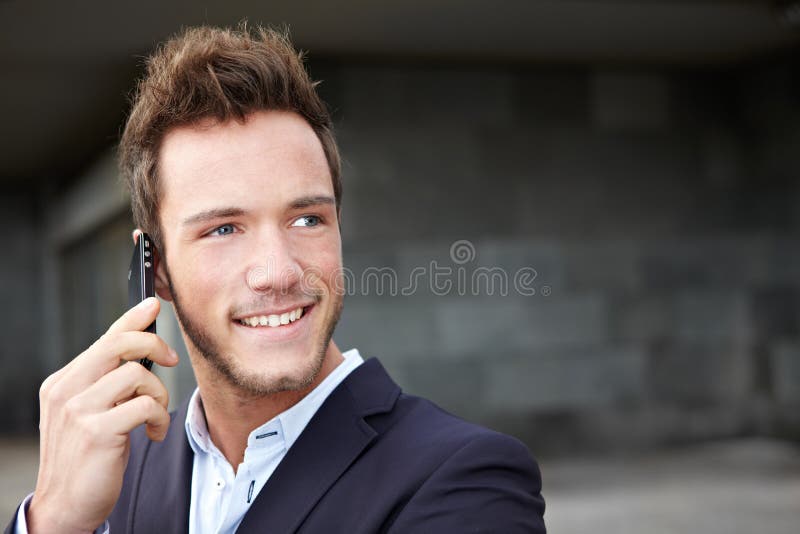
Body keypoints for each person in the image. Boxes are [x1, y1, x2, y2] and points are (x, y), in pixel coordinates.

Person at [6, 25, 546, 534]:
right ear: (156, 269)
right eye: (223, 229)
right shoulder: (116, 466)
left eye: (307, 219)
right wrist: (52, 520)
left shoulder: (469, 481)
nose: (278, 271)